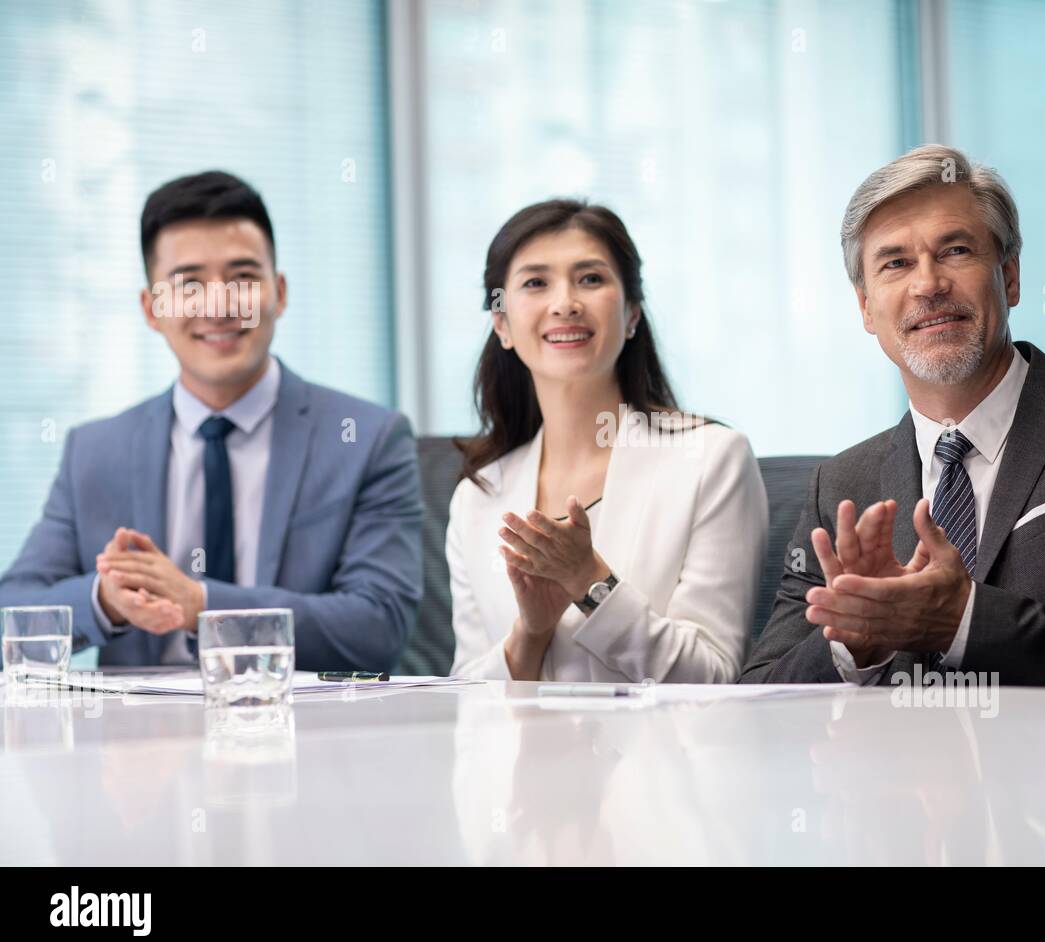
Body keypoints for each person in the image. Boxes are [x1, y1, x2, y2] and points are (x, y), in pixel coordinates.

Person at [742, 145, 1045, 688]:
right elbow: (760, 693)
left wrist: (966, 623)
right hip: (894, 772)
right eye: (896, 263)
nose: (928, 284)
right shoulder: (841, 486)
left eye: (955, 251)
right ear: (866, 307)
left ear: (1009, 277)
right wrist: (853, 646)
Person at [0, 171, 423, 671]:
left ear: (279, 293)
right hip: (137, 739)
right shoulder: (95, 451)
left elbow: (379, 629)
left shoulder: (367, 439)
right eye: (189, 284)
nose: (219, 305)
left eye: (243, 278)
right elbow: (13, 614)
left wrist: (200, 604)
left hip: (302, 732)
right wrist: (106, 601)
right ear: (151, 309)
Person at [448, 200, 767, 682]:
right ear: (502, 324)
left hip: (663, 758)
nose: (565, 303)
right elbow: (466, 700)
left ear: (633, 313)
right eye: (536, 283)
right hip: (522, 758)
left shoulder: (711, 461)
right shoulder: (478, 496)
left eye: (591, 279)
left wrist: (590, 582)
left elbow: (713, 678)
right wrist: (530, 634)